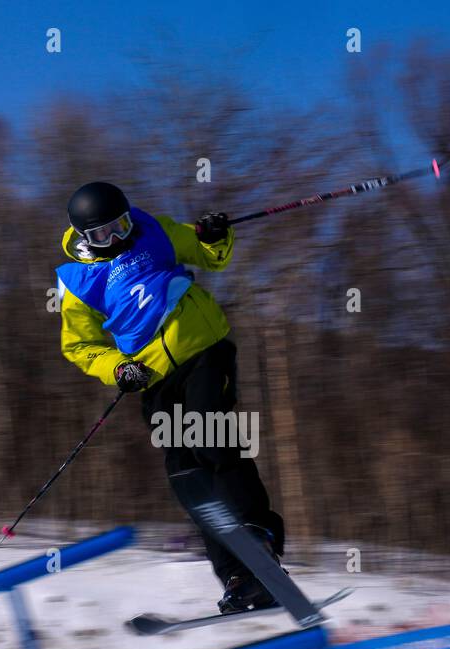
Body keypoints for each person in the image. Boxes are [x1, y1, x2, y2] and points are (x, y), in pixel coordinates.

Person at [56, 181, 285, 613]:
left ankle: (259, 532)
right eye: (102, 234)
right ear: (84, 238)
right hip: (152, 378)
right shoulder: (78, 282)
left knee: (211, 439)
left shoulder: (152, 231)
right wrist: (118, 368)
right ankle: (238, 576)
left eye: (120, 226)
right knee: (186, 474)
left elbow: (210, 255)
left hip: (203, 351)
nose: (116, 238)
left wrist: (215, 235)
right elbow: (79, 346)